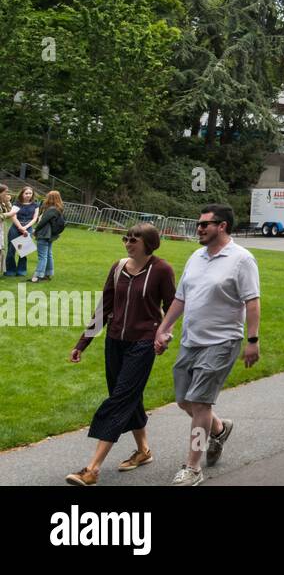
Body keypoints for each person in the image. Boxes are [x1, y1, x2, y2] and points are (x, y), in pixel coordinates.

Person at [153, 204, 260, 486]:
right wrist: (163, 329)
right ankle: (220, 429)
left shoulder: (241, 260)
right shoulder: (196, 257)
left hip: (222, 341)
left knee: (200, 403)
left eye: (204, 225)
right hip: (191, 341)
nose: (198, 229)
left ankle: (192, 467)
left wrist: (252, 340)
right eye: (198, 224)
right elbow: (181, 299)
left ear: (222, 226)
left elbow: (252, 301)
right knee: (184, 400)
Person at [64, 224, 177, 486]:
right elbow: (103, 308)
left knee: (119, 400)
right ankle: (143, 451)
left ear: (149, 242)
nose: (127, 243)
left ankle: (92, 469)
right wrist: (82, 344)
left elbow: (171, 307)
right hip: (115, 342)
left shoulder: (162, 270)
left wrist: (164, 336)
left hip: (143, 343)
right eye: (126, 238)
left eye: (134, 240)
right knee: (128, 397)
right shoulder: (118, 268)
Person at [30, 189, 65, 282]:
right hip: (51, 235)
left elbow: (42, 222)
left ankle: (38, 275)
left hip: (44, 234)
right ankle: (48, 273)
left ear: (50, 198)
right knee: (48, 255)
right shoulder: (59, 208)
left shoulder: (51, 209)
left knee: (42, 256)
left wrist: (35, 230)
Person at [5, 185, 39, 278]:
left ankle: (21, 271)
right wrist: (20, 227)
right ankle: (10, 271)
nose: (28, 195)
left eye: (30, 193)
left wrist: (26, 227)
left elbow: (35, 218)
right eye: (26, 193)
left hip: (28, 228)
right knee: (11, 250)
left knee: (23, 251)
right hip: (16, 227)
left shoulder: (35, 205)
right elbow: (13, 216)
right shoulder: (16, 204)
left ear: (32, 194)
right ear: (22, 194)